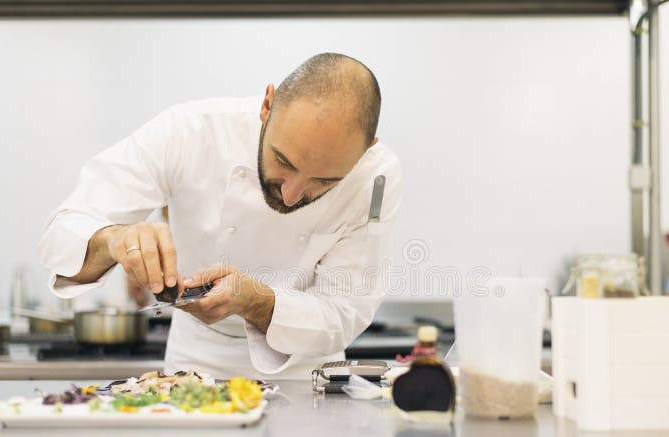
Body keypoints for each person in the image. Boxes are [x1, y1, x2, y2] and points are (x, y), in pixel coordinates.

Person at [39, 53, 402, 379]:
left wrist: (256, 301)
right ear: (267, 106)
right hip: (196, 364)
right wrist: (115, 240)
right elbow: (63, 232)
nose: (291, 195)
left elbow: (344, 311)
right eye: (283, 162)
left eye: (324, 181)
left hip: (306, 377)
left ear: (366, 150)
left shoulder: (376, 176)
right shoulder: (191, 131)